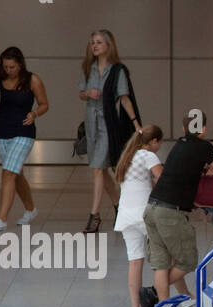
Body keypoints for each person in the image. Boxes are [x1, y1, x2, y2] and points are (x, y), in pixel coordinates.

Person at [144, 116, 213, 301]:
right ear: (204, 129)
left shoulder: (179, 144)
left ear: (184, 127)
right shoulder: (203, 147)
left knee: (161, 264)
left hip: (152, 207)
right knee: (187, 261)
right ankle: (152, 291)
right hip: (170, 212)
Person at [78, 30, 141, 233]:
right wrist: (88, 93)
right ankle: (119, 207)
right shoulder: (88, 68)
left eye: (99, 42)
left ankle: (94, 215)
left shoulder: (118, 71)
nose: (94, 46)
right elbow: (81, 93)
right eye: (92, 42)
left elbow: (124, 98)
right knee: (102, 170)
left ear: (108, 45)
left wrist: (136, 123)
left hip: (107, 124)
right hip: (91, 122)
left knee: (97, 168)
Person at [0, 47, 48, 232]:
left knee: (8, 172)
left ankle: (1, 218)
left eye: (12, 67)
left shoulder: (32, 80)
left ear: (20, 64)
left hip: (24, 131)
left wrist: (34, 113)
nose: (8, 70)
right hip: (1, 131)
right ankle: (30, 209)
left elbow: (45, 104)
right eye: (5, 67)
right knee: (15, 173)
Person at [113, 126, 164, 307]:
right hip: (146, 214)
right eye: (159, 143)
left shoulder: (128, 156)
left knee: (135, 262)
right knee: (162, 259)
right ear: (154, 142)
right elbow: (163, 178)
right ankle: (166, 302)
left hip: (126, 216)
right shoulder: (148, 156)